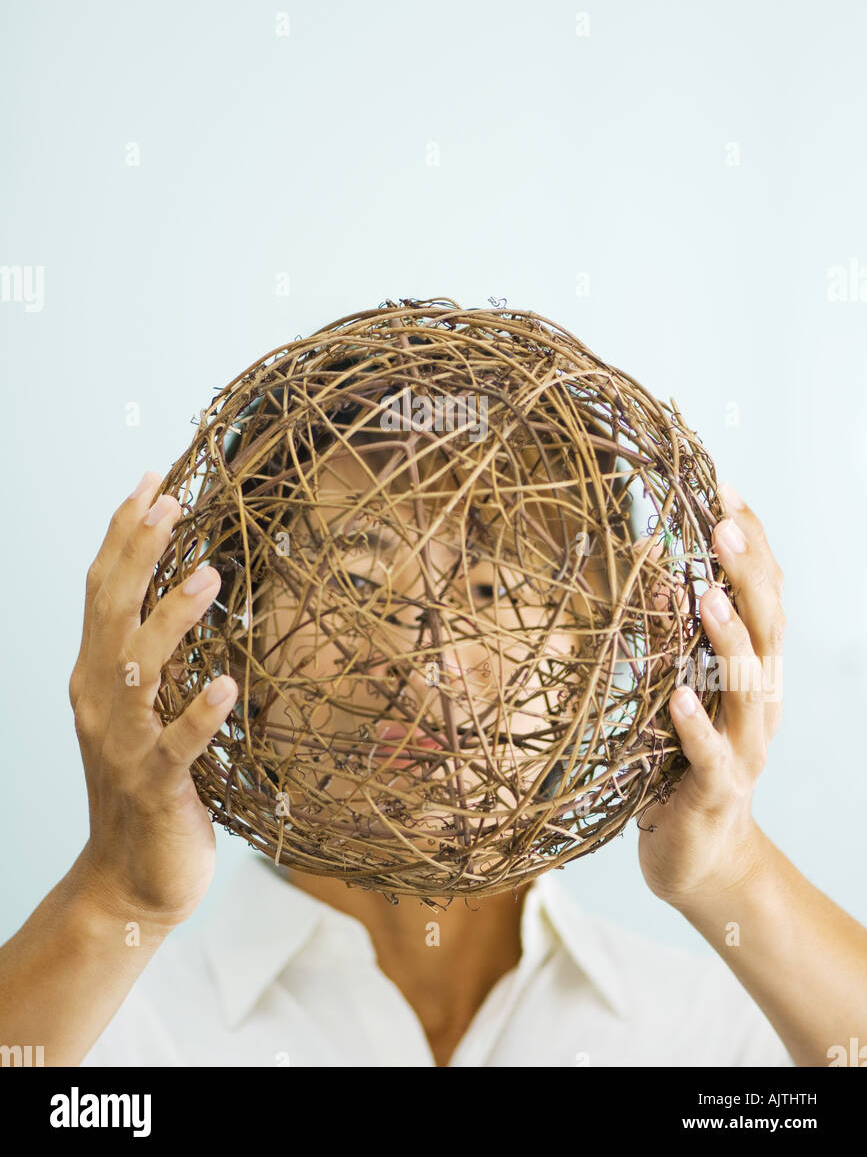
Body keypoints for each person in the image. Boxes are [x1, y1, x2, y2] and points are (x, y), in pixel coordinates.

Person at [1, 453, 865, 1068]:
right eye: (355, 585)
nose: (426, 656)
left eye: (491, 588)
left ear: (598, 656)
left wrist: (732, 871)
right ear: (231, 645)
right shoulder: (95, 1033)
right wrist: (117, 896)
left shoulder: (731, 1040)